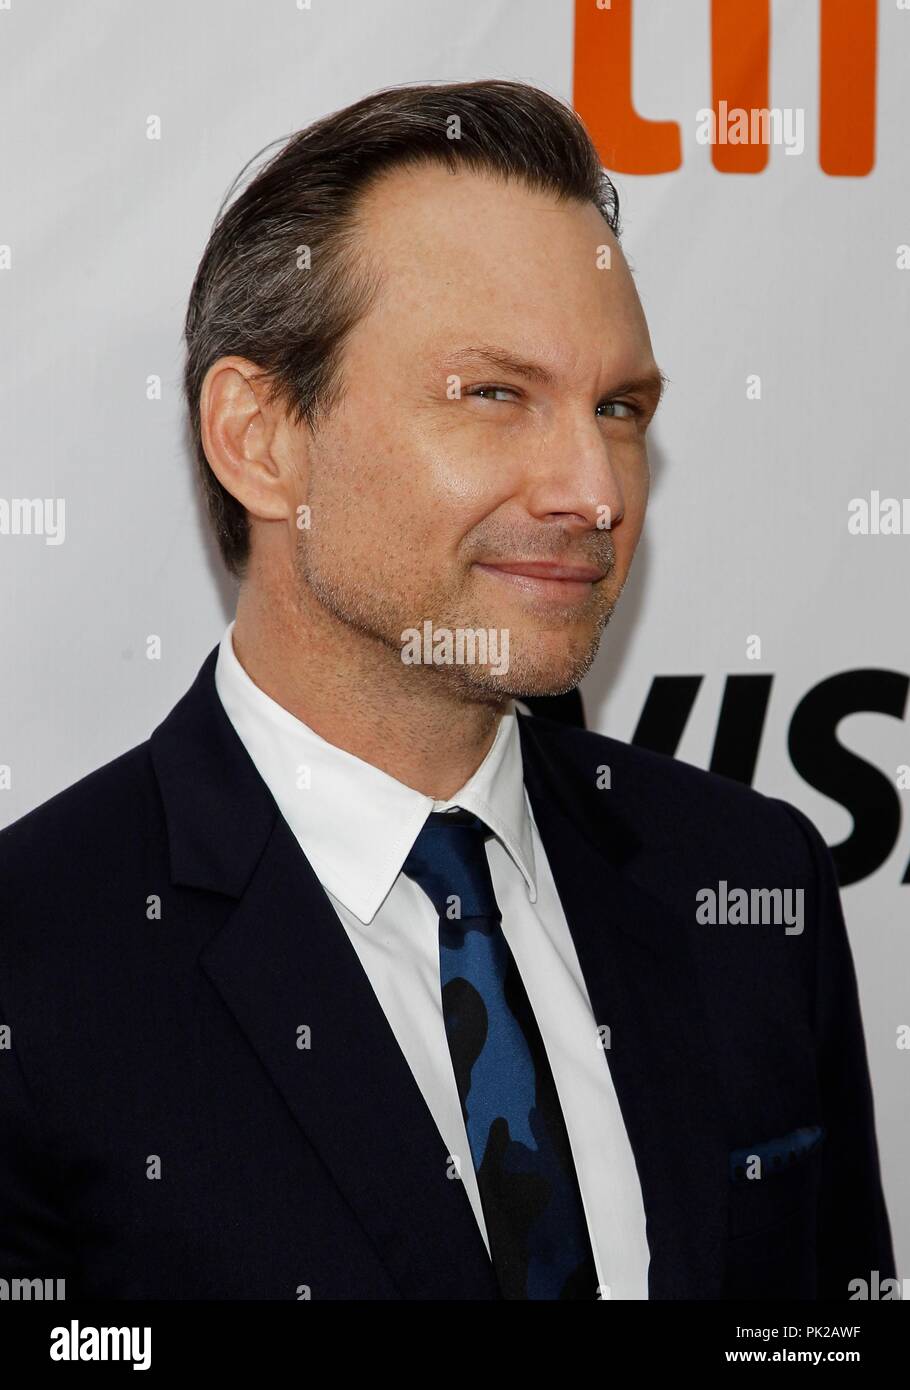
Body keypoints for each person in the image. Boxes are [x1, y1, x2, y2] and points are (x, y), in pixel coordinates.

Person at [0, 79, 894, 1300]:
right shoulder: (38, 960)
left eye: (619, 408)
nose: (596, 491)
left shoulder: (748, 880)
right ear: (260, 436)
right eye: (494, 394)